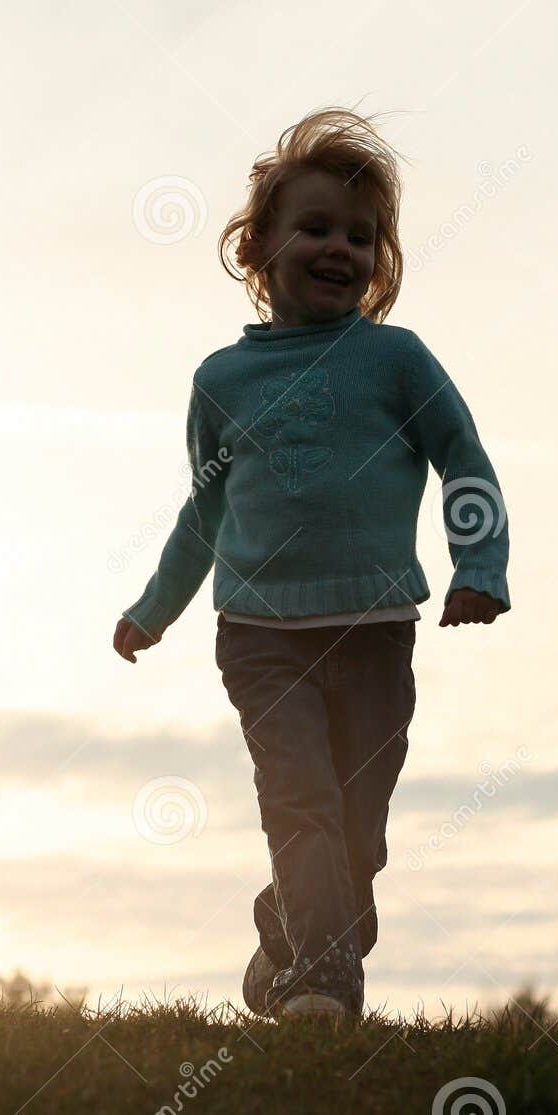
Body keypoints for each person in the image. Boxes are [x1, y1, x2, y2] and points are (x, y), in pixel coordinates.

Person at [113, 107, 511, 1024]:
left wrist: (478, 562)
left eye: (362, 237)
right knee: (300, 806)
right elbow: (205, 511)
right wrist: (153, 609)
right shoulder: (220, 381)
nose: (341, 249)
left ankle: (284, 930)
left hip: (374, 630)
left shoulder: (396, 361)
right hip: (259, 635)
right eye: (317, 228)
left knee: (357, 837)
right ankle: (325, 986)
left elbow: (464, 458)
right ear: (257, 247)